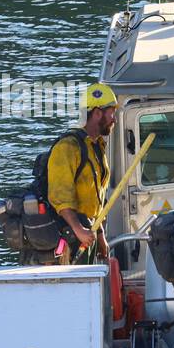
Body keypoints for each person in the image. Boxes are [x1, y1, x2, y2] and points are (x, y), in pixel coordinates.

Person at [46, 83, 116, 263]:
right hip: (70, 237)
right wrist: (78, 230)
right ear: (97, 113)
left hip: (87, 233)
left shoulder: (96, 147)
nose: (114, 119)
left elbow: (96, 198)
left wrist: (99, 235)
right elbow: (60, 197)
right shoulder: (67, 147)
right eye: (111, 112)